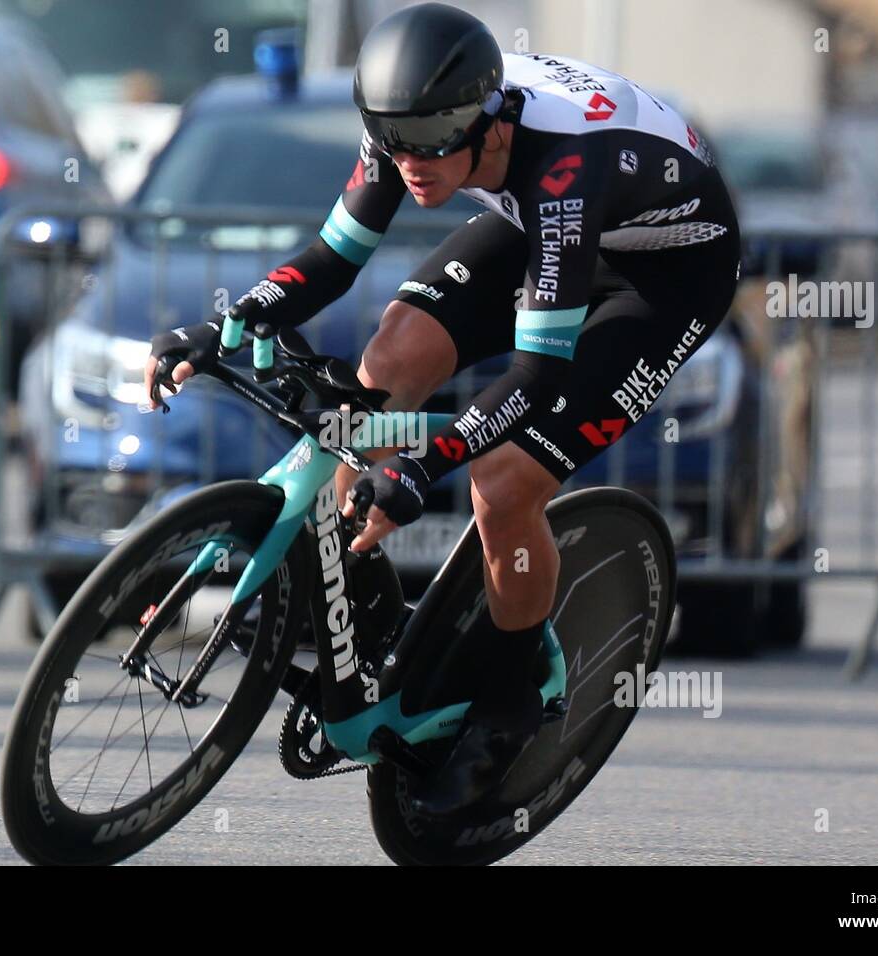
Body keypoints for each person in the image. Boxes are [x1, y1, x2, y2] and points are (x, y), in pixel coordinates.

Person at [144, 2, 740, 816]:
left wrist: (425, 467)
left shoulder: (557, 164)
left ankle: (510, 700)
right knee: (388, 359)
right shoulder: (414, 125)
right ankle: (355, 583)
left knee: (501, 480)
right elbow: (332, 257)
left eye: (431, 144)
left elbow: (537, 375)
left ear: (489, 121)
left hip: (662, 278)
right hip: (538, 229)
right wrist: (230, 320)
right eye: (393, 142)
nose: (411, 164)